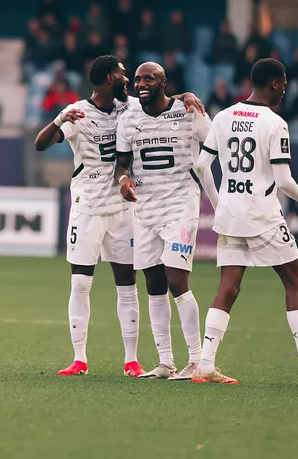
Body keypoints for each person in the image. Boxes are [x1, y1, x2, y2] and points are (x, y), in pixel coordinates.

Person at [34, 55, 206, 377]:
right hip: (86, 208)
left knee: (127, 285)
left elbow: (162, 102)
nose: (130, 80)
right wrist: (58, 121)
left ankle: (131, 360)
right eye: (125, 75)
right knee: (81, 283)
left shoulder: (130, 109)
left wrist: (185, 97)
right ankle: (79, 358)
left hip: (124, 209)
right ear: (111, 77)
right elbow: (40, 145)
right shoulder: (77, 113)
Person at [191, 58, 298, 385]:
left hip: (229, 216)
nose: (285, 90)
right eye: (284, 84)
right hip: (262, 216)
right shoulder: (274, 122)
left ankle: (205, 365)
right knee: (296, 282)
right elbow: (284, 180)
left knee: (228, 287)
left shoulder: (223, 116)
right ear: (275, 84)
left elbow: (200, 166)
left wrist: (219, 203)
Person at [114, 62, 220, 380]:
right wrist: (123, 181)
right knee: (154, 285)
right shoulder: (128, 120)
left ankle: (197, 359)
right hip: (145, 210)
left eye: (149, 78)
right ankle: (165, 362)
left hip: (181, 205)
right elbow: (122, 163)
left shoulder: (188, 111)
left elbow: (216, 140)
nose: (141, 83)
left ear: (163, 82)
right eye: (137, 79)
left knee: (176, 278)